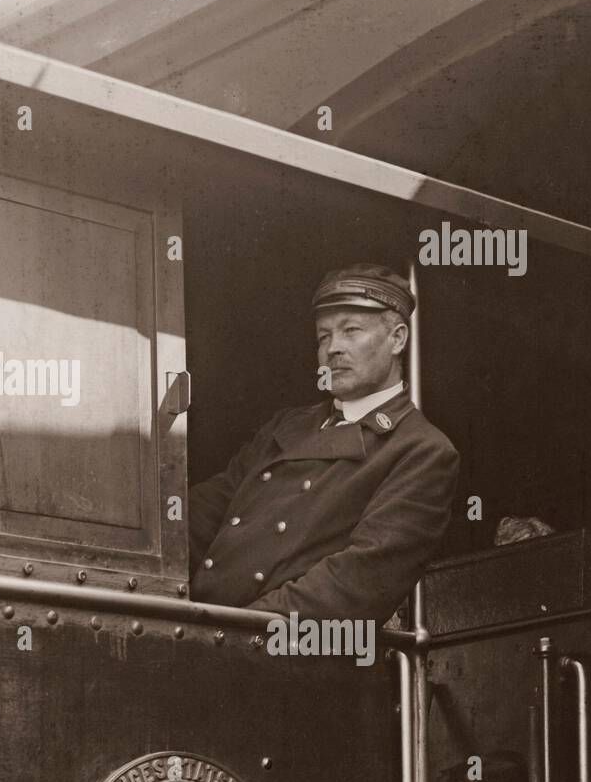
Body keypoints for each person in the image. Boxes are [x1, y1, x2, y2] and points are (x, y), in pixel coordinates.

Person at [189, 264, 460, 624]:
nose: (333, 349)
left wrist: (234, 629)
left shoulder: (420, 450)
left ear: (397, 339)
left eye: (351, 331)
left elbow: (355, 584)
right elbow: (206, 511)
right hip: (207, 626)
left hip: (282, 652)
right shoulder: (286, 426)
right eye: (323, 337)